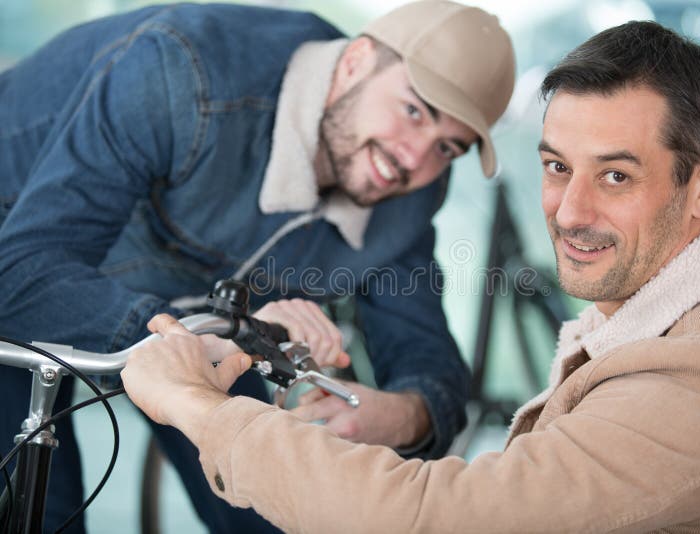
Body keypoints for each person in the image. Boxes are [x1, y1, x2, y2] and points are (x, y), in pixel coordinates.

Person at [122, 19, 700, 532]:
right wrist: (392, 415)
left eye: (616, 175)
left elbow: (438, 518)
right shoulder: (685, 307)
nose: (569, 212)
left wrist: (198, 407)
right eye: (558, 166)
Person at [0, 1, 515, 532]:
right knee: (44, 512)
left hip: (180, 316)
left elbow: (428, 357)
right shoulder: (179, 72)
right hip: (19, 251)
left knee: (270, 501)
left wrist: (401, 414)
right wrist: (228, 335)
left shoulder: (409, 189)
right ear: (358, 61)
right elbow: (18, 270)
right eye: (414, 110)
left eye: (448, 147)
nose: (414, 159)